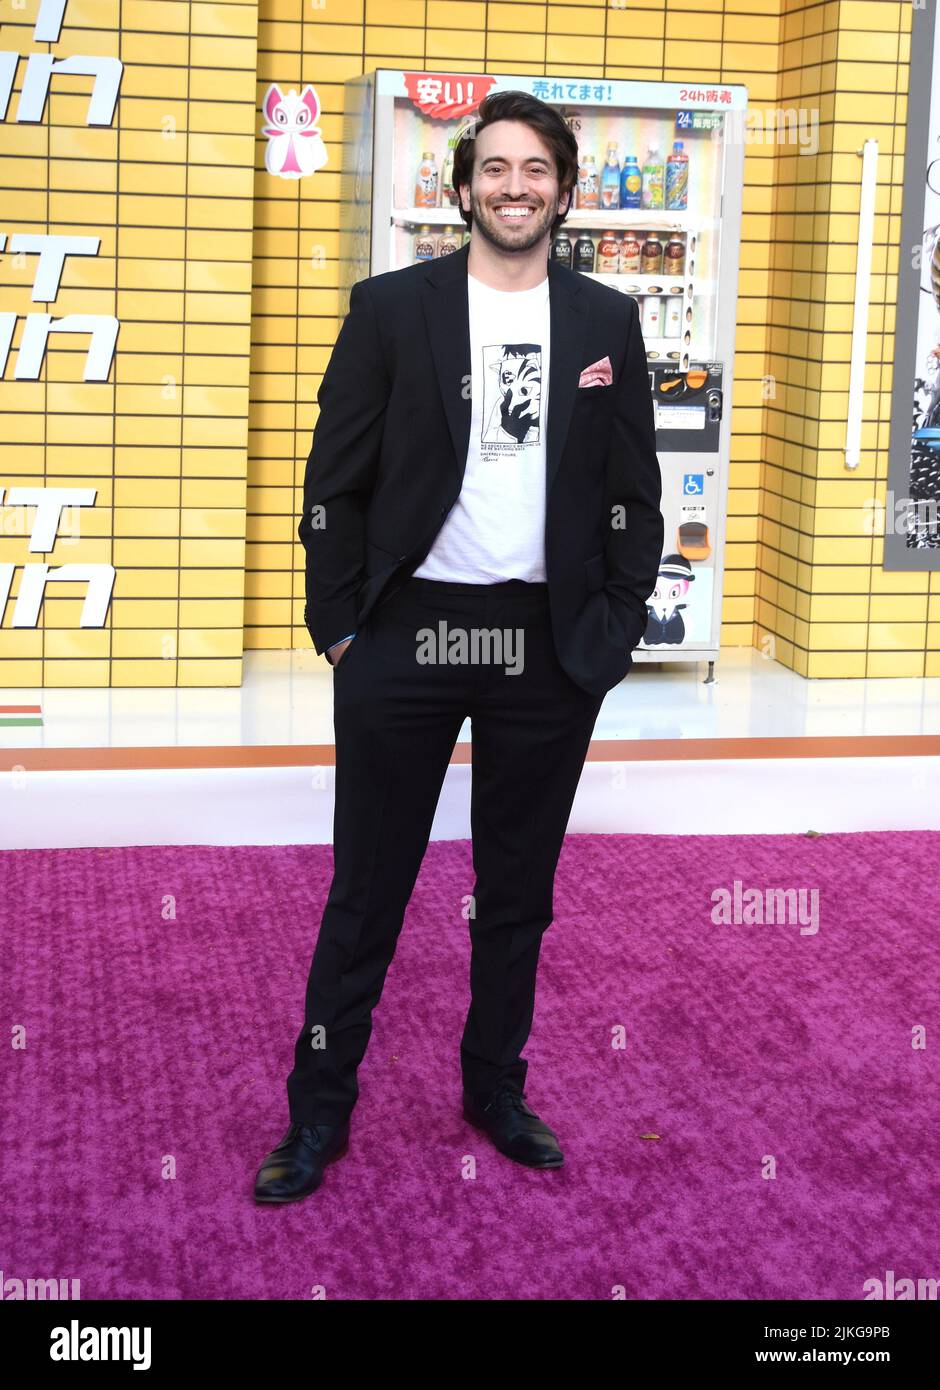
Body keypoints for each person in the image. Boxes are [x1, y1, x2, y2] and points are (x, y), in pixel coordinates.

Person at [254, 89, 664, 1204]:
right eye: (494, 168)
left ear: (564, 191)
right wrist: (341, 627)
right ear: (463, 187)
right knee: (367, 888)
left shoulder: (606, 321)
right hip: (409, 630)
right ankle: (318, 1111)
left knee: (517, 891)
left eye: (535, 170)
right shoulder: (393, 308)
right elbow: (333, 479)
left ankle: (494, 1089)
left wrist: (616, 621)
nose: (513, 187)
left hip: (546, 641)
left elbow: (634, 488)